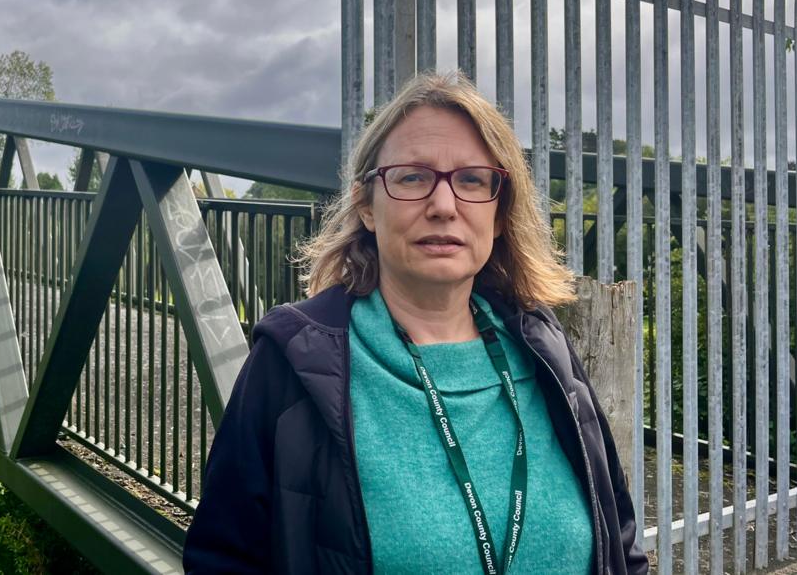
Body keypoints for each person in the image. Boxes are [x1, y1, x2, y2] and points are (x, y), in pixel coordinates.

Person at [183, 71, 648, 574]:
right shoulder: (290, 361)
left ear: (498, 212)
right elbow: (224, 560)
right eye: (412, 177)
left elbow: (619, 542)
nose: (444, 206)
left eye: (472, 179)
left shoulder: (544, 348)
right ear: (365, 204)